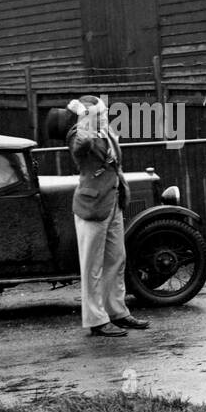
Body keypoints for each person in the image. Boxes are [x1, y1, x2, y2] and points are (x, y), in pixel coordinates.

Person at [66, 94, 149, 338]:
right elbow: (82, 146)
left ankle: (117, 311)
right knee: (92, 266)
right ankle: (96, 319)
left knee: (116, 259)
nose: (104, 116)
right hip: (92, 206)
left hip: (113, 201)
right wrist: (84, 117)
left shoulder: (106, 131)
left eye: (103, 113)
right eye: (98, 113)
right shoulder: (79, 133)